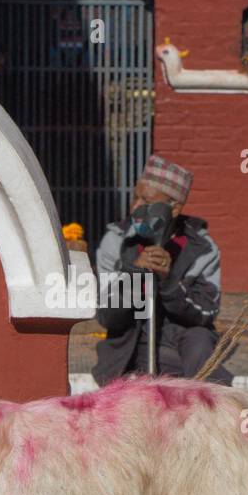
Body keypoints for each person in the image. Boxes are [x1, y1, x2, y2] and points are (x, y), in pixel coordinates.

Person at [92, 154, 234, 385]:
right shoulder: (116, 241)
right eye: (134, 197)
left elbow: (205, 314)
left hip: (181, 343)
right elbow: (108, 317)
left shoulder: (202, 249)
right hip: (132, 341)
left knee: (200, 342)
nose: (136, 207)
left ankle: (207, 409)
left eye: (146, 202)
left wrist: (169, 282)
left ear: (174, 209)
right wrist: (134, 277)